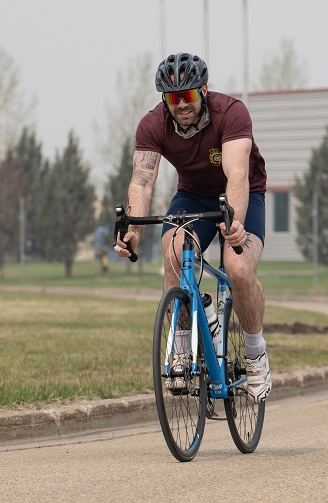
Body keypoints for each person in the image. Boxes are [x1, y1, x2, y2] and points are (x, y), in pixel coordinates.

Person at [114, 52, 271, 403]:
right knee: (173, 254)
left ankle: (255, 353)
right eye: (173, 98)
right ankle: (183, 351)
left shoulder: (231, 112)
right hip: (193, 196)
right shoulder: (153, 124)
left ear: (203, 90)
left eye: (187, 96)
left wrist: (236, 222)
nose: (181, 105)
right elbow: (142, 182)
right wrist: (134, 233)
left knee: (238, 268)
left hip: (243, 193)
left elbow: (237, 174)